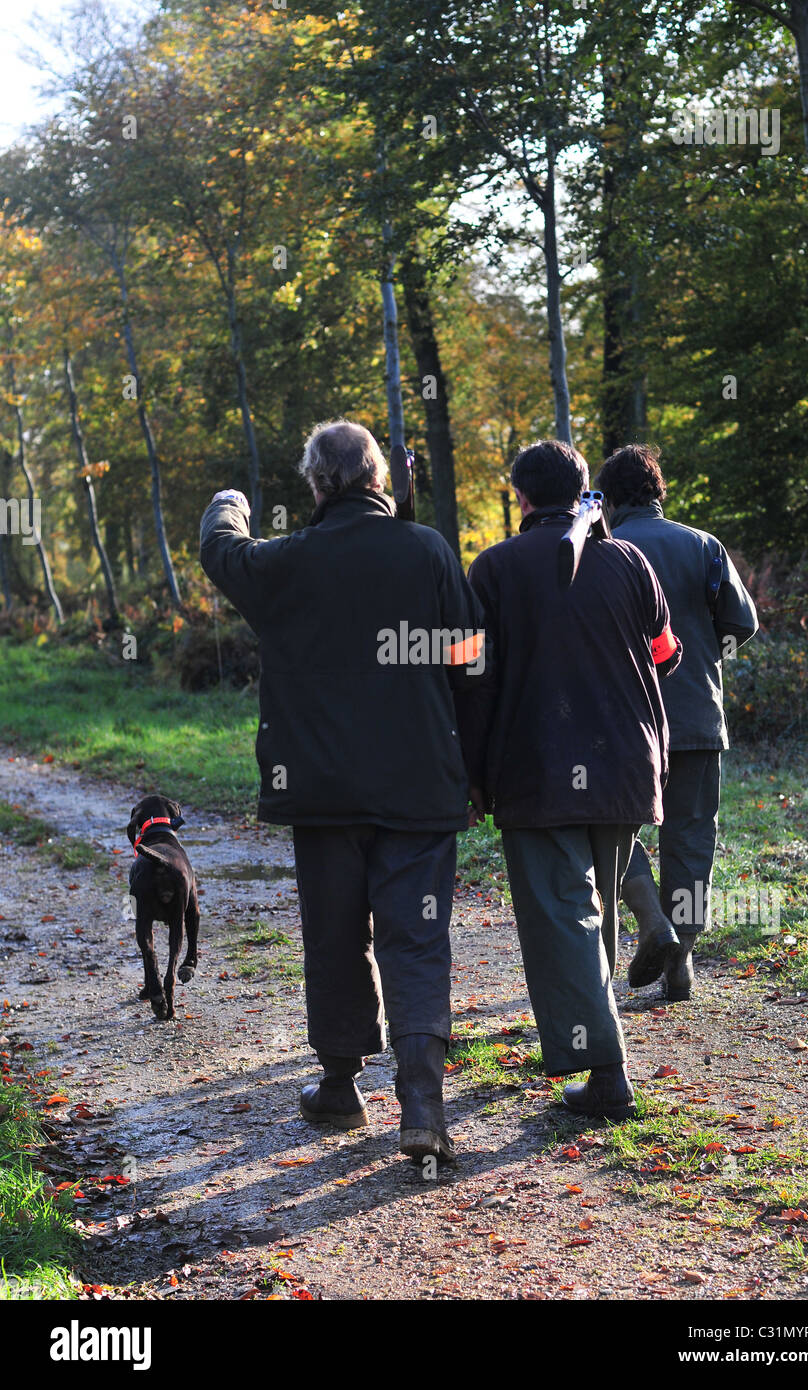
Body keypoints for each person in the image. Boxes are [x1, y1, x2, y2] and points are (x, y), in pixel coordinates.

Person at [200, 420, 489, 1164]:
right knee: (416, 938)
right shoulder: (428, 550)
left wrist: (229, 503)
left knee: (334, 934)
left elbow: (222, 551)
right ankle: (422, 1103)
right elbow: (470, 662)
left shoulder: (288, 561)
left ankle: (339, 1087)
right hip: (421, 783)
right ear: (379, 478)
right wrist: (476, 769)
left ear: (317, 484)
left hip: (323, 790)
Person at [457, 439, 681, 1122]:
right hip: (627, 764)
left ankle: (607, 1076)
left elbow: (471, 677)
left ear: (521, 497)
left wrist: (471, 774)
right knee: (593, 914)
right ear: (584, 492)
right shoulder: (630, 559)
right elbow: (665, 654)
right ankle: (591, 1048)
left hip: (539, 770)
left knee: (564, 916)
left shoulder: (493, 568)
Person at [595, 444, 758, 1002]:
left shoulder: (600, 550)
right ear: (659, 493)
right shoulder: (704, 545)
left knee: (612, 826)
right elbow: (742, 621)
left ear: (608, 499)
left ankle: (651, 920)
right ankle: (681, 958)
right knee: (690, 835)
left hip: (622, 722)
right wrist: (707, 655)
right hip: (695, 718)